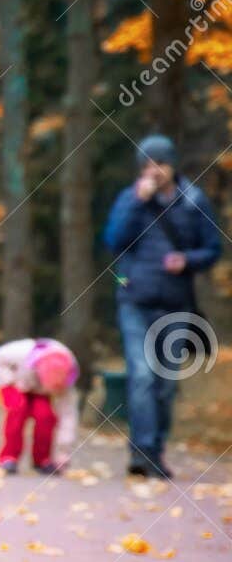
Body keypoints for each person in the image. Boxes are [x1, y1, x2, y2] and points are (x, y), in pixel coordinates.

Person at [102, 134, 222, 479]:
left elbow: (212, 249)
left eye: (160, 163)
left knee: (165, 383)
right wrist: (136, 203)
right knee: (141, 375)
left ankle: (155, 449)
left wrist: (188, 260)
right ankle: (141, 453)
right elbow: (113, 240)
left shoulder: (193, 201)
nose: (153, 170)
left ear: (172, 166)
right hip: (135, 301)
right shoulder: (129, 199)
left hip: (175, 305)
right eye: (147, 164)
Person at [0, 337, 79, 475]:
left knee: (46, 416)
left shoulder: (67, 373)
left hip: (39, 390)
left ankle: (42, 460)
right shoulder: (20, 353)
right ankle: (9, 457)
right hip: (15, 382)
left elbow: (68, 415)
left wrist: (63, 453)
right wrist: (9, 380)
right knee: (17, 409)